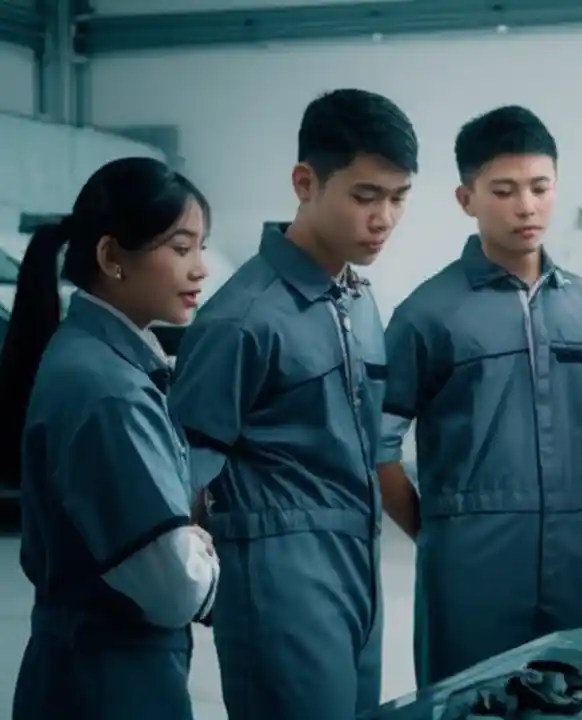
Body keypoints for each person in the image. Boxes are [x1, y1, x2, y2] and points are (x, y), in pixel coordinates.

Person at [167, 89, 418, 719]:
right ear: (305, 183)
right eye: (366, 196)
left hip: (359, 566)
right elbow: (181, 481)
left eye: (398, 197)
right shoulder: (242, 319)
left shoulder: (358, 301)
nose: (384, 218)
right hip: (279, 578)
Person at [376, 105, 582, 687]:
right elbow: (376, 446)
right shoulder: (427, 313)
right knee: (469, 700)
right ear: (467, 199)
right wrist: (436, 534)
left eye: (540, 187)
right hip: (469, 561)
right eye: (504, 191)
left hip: (573, 557)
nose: (526, 206)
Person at [1, 157, 217, 719]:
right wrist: (201, 552)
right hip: (111, 683)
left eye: (201, 247)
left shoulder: (93, 356)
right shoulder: (108, 392)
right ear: (110, 257)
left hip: (89, 668)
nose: (201, 268)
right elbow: (174, 589)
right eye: (181, 248)